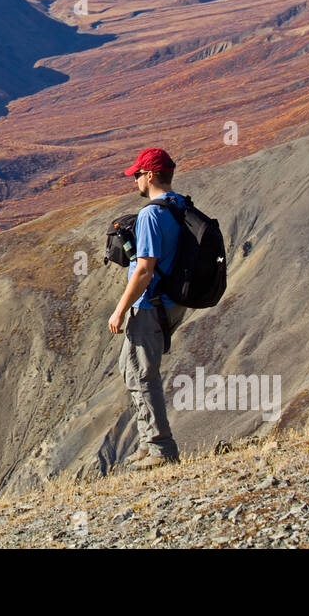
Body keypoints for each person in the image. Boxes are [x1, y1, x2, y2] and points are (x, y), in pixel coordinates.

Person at [106, 147, 188, 469]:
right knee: (131, 368)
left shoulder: (151, 215)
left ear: (150, 175)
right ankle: (146, 442)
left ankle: (160, 448)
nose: (135, 180)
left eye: (138, 174)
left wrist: (120, 309)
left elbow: (144, 269)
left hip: (151, 304)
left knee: (141, 373)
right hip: (169, 302)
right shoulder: (178, 205)